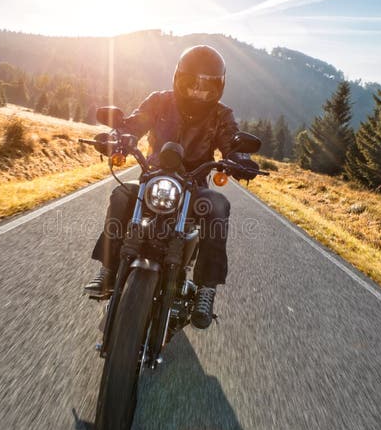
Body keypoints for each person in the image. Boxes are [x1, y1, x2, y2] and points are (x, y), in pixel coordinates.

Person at [84, 45, 256, 329]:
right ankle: (109, 269)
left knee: (218, 206)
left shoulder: (221, 115)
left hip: (194, 186)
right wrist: (120, 136)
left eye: (206, 87)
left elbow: (231, 140)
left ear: (218, 87)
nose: (198, 92)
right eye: (192, 84)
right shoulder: (159, 101)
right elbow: (134, 123)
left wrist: (240, 159)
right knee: (121, 195)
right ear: (179, 79)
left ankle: (206, 289)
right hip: (153, 179)